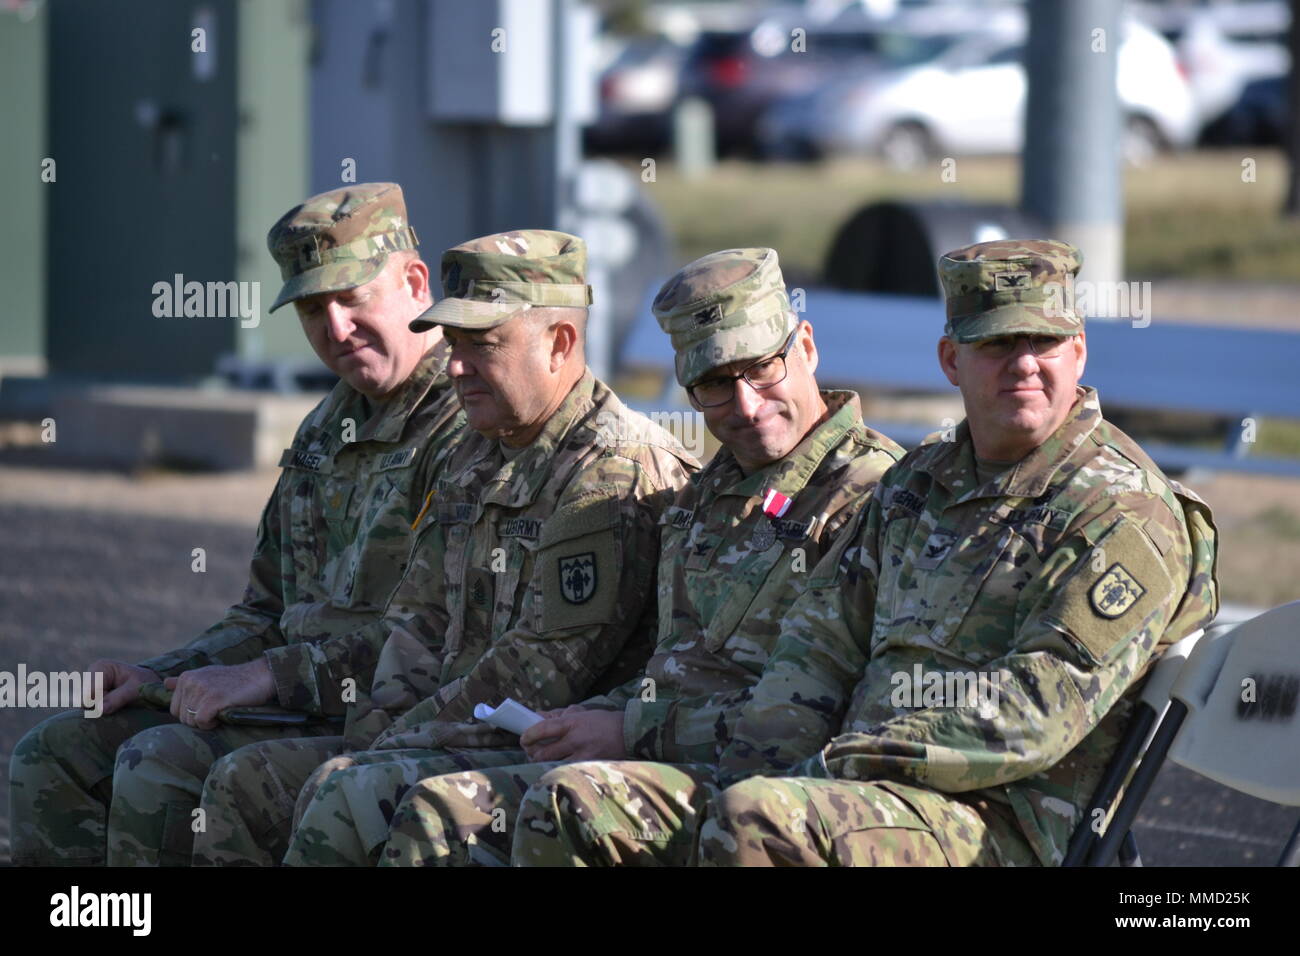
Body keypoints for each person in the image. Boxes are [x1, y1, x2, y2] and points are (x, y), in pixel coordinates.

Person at [514, 238, 1219, 867]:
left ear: (1080, 351)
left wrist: (845, 761)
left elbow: (1032, 713)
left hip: (996, 822)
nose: (1025, 364)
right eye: (998, 345)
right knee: (577, 803)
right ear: (952, 360)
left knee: (757, 822)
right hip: (844, 790)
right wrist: (765, 759)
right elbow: (817, 652)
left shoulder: (1121, 511)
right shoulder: (921, 483)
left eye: (1045, 341)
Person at [283, 246, 904, 866]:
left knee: (448, 806)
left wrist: (630, 728)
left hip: (765, 788)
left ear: (807, 348)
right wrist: (591, 719)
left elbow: (824, 716)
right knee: (357, 791)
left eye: (763, 368)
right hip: (652, 757)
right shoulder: (707, 496)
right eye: (715, 384)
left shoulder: (874, 498)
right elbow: (670, 668)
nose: (744, 405)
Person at [190, 229, 698, 865]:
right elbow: (415, 628)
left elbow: (538, 671)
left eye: (481, 344)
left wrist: (385, 748)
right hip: (445, 734)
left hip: (544, 752)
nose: (455, 365)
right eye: (452, 343)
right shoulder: (477, 453)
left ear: (559, 344)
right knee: (247, 781)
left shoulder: (613, 472)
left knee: (348, 792)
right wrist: (373, 734)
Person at [9, 182, 467, 866]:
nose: (335, 329)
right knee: (53, 752)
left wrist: (269, 677)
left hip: (389, 715)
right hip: (296, 699)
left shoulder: (467, 424)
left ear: (412, 281)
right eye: (313, 310)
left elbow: (442, 641)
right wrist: (159, 673)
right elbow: (266, 609)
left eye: (351, 298)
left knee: (157, 760)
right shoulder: (327, 426)